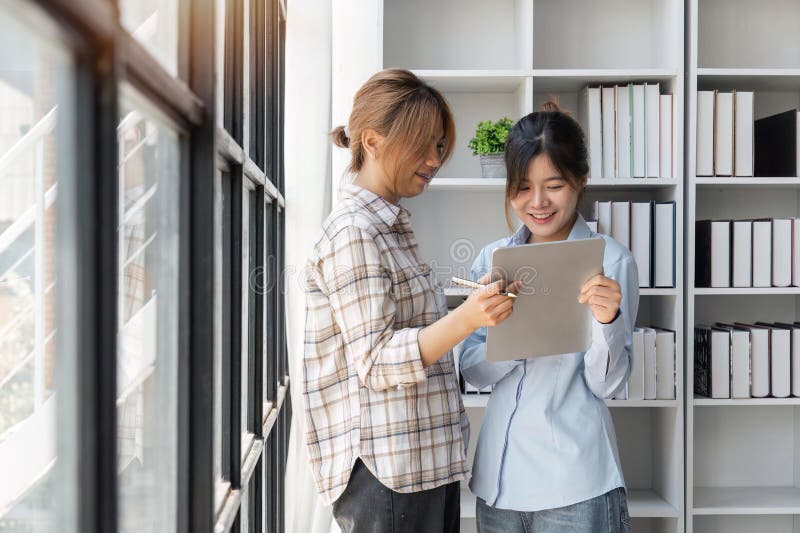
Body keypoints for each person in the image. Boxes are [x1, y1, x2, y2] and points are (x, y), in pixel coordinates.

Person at [303, 68, 520, 533]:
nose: (434, 158)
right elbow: (378, 360)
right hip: (390, 473)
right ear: (372, 141)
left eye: (440, 144)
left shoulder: (389, 224)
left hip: (417, 464)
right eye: (421, 144)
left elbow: (408, 329)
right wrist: (467, 318)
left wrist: (473, 305)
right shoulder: (354, 233)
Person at [457, 102, 639, 533]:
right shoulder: (492, 258)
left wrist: (607, 322)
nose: (537, 203)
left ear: (580, 181)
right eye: (522, 187)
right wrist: (509, 335)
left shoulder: (612, 262)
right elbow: (473, 372)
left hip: (575, 484)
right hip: (498, 483)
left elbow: (607, 384)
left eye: (554, 185)